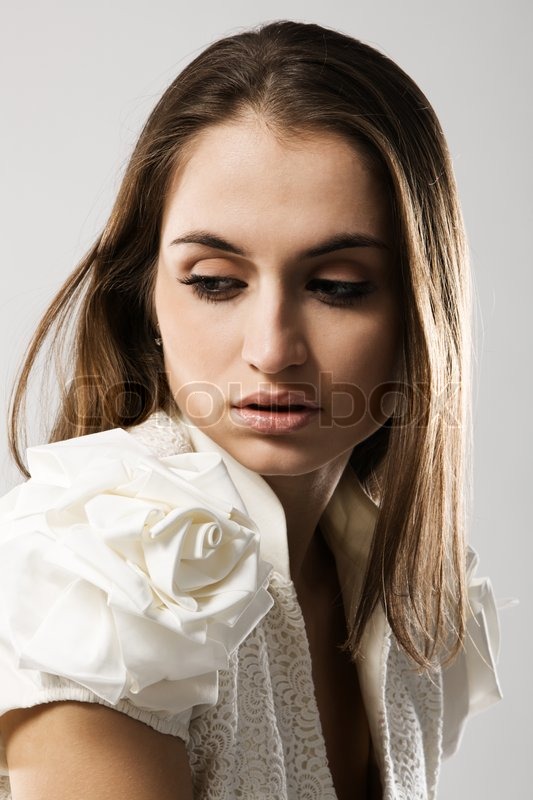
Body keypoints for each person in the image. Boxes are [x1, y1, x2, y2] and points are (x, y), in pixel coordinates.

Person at [0, 20, 502, 800]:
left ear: (422, 311)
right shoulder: (100, 574)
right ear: (148, 301)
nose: (272, 349)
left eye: (337, 286)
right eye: (214, 281)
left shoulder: (399, 588)